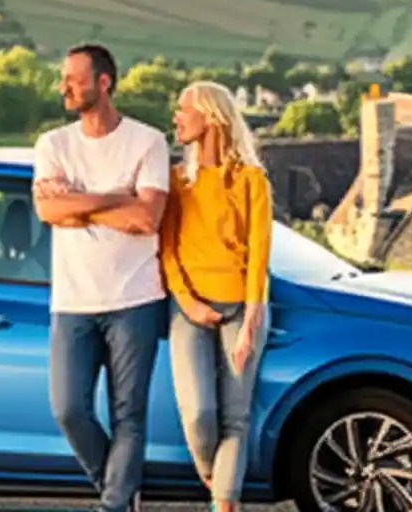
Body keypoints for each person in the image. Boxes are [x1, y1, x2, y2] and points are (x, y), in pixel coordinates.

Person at [31, 43, 171, 512]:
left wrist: (79, 201)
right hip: (73, 302)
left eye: (73, 80)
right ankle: (119, 491)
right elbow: (49, 210)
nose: (64, 88)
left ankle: (114, 505)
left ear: (103, 82)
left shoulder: (148, 141)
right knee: (68, 409)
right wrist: (116, 198)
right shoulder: (53, 145)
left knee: (129, 414)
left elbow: (147, 218)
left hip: (135, 299)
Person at [159, 81, 272, 512]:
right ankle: (215, 478)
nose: (176, 117)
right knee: (199, 415)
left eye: (183, 109)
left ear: (210, 116)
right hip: (188, 308)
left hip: (243, 308)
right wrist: (188, 301)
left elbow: (259, 255)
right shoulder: (177, 181)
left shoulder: (251, 180)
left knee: (235, 418)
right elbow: (167, 250)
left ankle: (225, 503)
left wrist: (250, 326)